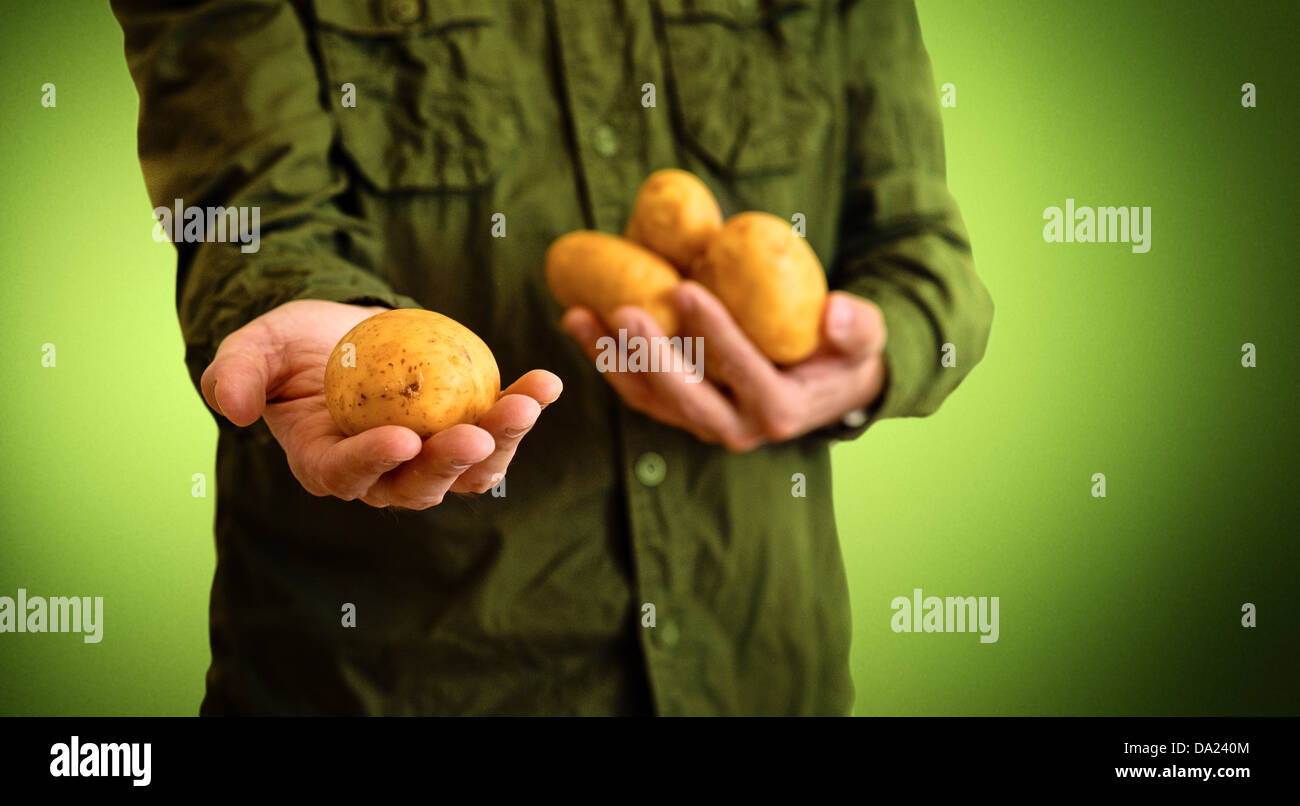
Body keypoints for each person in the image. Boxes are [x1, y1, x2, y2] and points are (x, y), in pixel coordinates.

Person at [112, 0, 993, 715]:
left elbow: (922, 253)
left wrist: (865, 359)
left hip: (759, 668)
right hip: (390, 680)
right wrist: (293, 304)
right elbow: (247, 212)